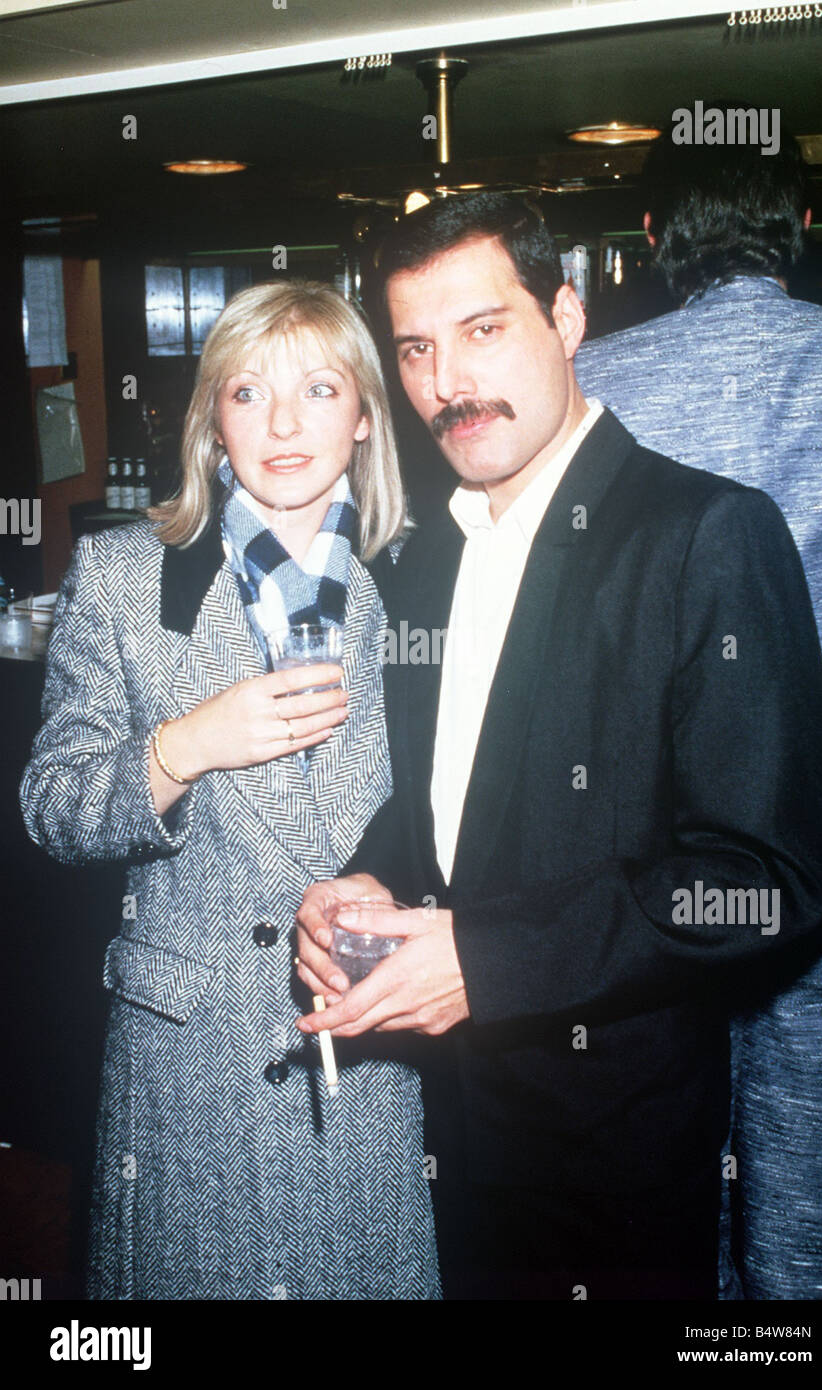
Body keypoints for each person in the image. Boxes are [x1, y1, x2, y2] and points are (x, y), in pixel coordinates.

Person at [293, 191, 822, 1301]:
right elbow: (447, 801)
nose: (447, 382)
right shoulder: (424, 559)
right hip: (442, 1125)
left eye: (483, 330)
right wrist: (368, 876)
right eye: (415, 349)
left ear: (568, 316)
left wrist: (489, 961)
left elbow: (772, 879)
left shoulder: (708, 532)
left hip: (614, 1152)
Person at [19, 280, 440, 1300]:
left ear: (367, 418)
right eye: (248, 393)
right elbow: (51, 806)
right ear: (213, 422)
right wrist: (181, 746)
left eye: (319, 388)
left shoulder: (431, 584)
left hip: (364, 1054)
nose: (285, 423)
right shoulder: (124, 577)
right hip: (187, 1070)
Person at [575, 114, 822, 1300]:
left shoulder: (589, 387)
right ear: (799, 225)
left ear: (648, 237)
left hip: (644, 868)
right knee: (806, 1170)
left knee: (652, 1166)